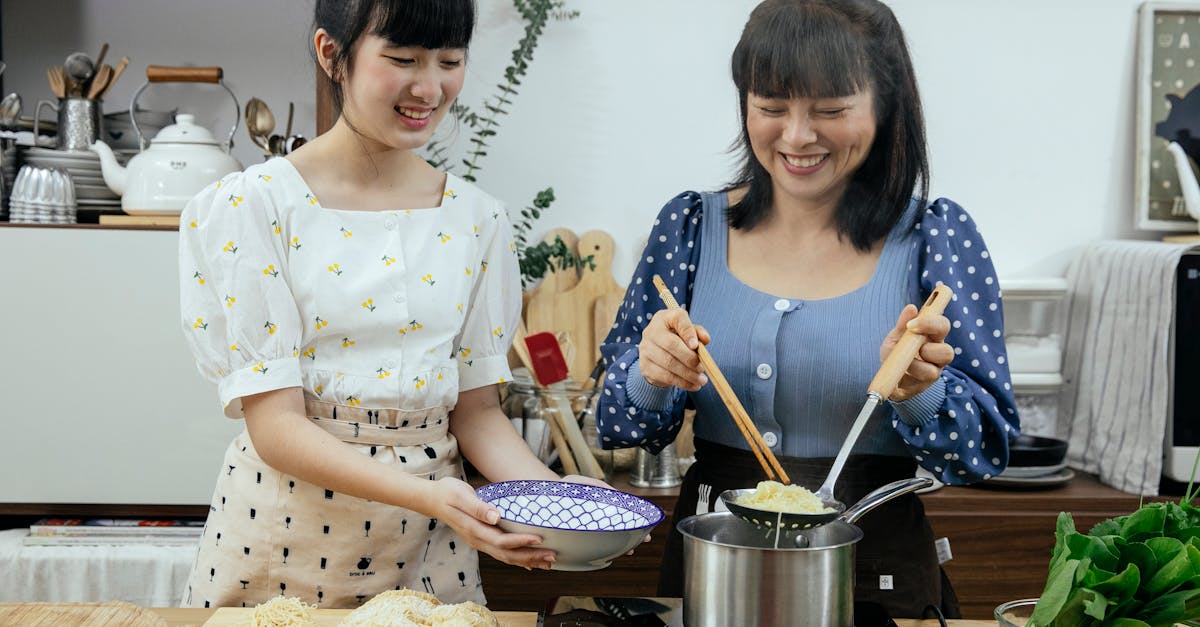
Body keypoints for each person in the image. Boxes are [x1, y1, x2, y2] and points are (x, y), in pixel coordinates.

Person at [596, 0, 1018, 618]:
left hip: (876, 581)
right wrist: (650, 376)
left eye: (830, 110)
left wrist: (920, 392)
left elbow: (982, 453)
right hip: (717, 574)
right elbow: (616, 425)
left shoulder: (935, 236)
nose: (796, 136)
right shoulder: (688, 227)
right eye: (771, 107)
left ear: (885, 103)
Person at [177, 0, 588, 609]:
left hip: (428, 547)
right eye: (402, 59)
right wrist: (425, 493)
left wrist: (559, 506)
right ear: (331, 54)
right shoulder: (251, 207)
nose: (429, 86)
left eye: (450, 61)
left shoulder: (478, 220)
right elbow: (276, 425)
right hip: (281, 538)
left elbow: (475, 413)